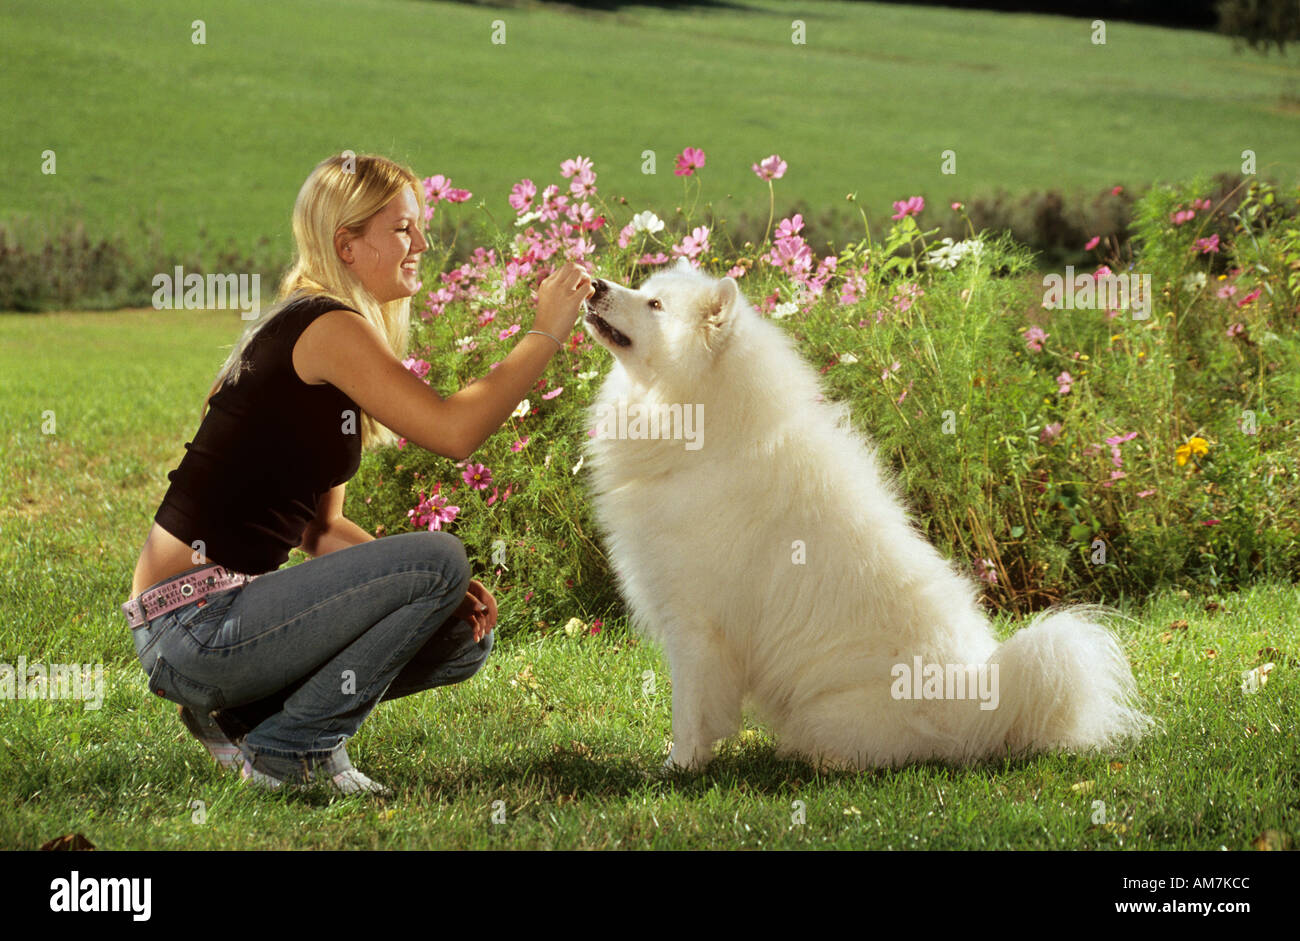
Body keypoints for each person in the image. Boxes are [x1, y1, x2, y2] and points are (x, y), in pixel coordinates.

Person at [123, 152, 594, 793]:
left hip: (216, 632)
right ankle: (296, 751)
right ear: (348, 244)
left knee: (460, 634)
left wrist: (433, 595)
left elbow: (323, 529)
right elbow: (454, 433)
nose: (423, 243)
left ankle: (245, 715)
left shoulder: (327, 330)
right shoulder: (325, 326)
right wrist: (544, 333)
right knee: (441, 559)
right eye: (403, 229)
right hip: (192, 627)